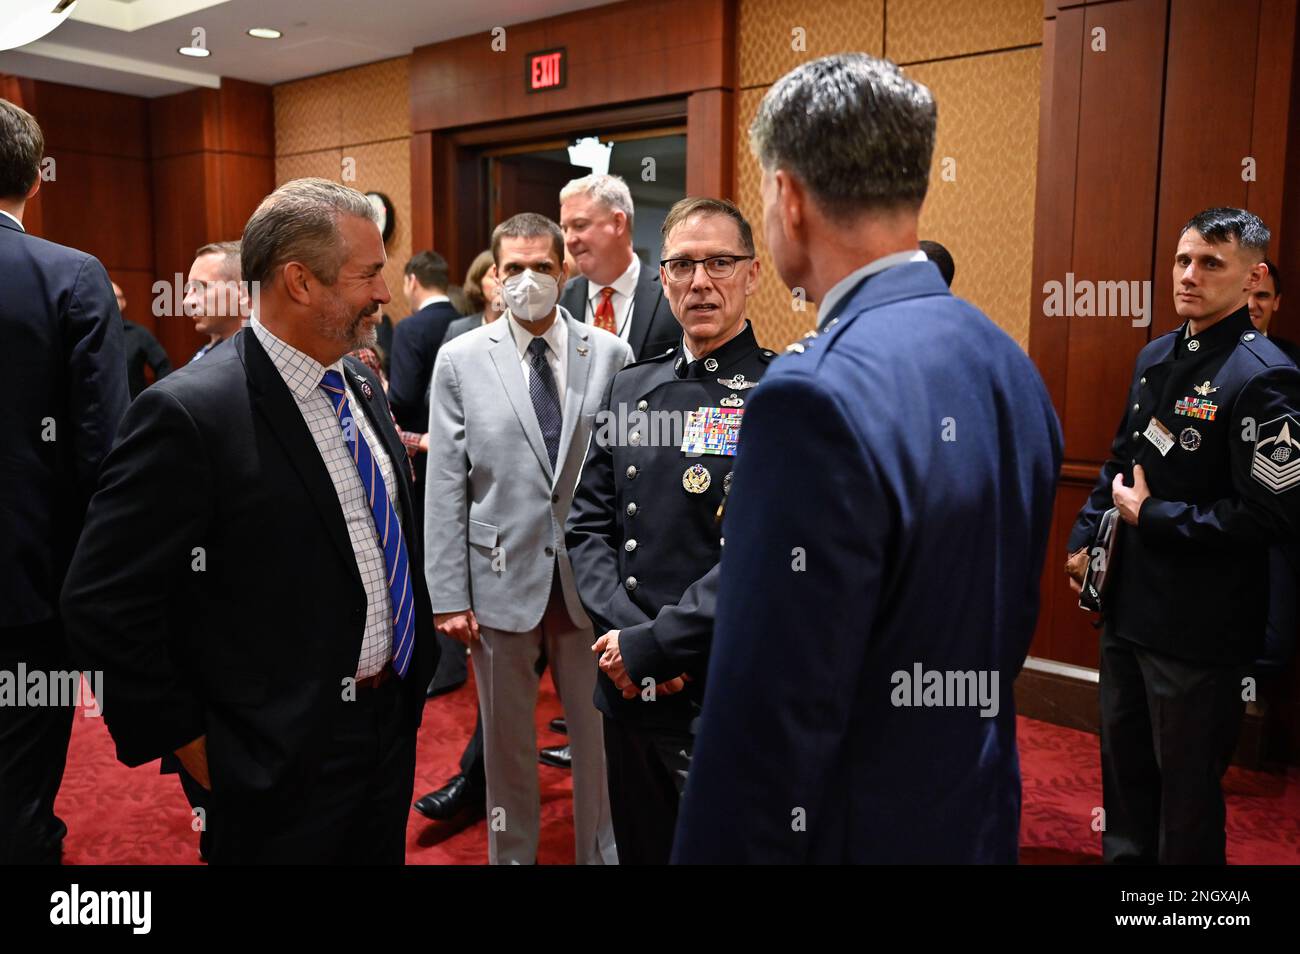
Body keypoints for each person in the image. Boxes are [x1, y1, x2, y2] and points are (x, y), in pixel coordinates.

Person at [672, 54, 1063, 864]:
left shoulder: (808, 397)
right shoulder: (1004, 359)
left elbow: (767, 718)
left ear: (787, 196)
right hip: (971, 806)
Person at [61, 178, 439, 864]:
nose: (385, 293)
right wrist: (196, 746)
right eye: (368, 274)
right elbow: (102, 603)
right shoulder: (189, 414)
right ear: (299, 281)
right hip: (275, 756)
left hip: (388, 729)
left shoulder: (358, 381)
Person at [1065, 207, 1300, 864]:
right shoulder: (1156, 354)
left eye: (1210, 263)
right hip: (1128, 612)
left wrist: (1155, 518)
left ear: (1252, 275)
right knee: (1126, 786)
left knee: (1187, 809)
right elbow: (1120, 461)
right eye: (1182, 260)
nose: (1189, 275)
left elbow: (1273, 516)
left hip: (1198, 633)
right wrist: (1084, 536)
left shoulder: (1265, 375)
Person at [566, 196, 774, 864]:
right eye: (682, 265)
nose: (700, 282)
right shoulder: (632, 388)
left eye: (720, 262)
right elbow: (587, 527)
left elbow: (764, 556)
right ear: (663, 280)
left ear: (753, 274)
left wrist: (658, 646)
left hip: (720, 683)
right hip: (628, 684)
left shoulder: (783, 392)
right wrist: (626, 643)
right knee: (642, 847)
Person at [424, 212, 628, 864]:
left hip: (587, 582)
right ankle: (512, 856)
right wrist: (448, 594)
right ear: (492, 280)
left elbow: (624, 479)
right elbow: (445, 483)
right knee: (506, 743)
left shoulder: (611, 355)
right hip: (496, 577)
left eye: (543, 266)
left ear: (565, 272)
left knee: (595, 737)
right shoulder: (458, 361)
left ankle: (603, 853)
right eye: (515, 268)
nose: (529, 279)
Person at [0, 97, 128, 864]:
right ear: (34, 180)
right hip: (29, 592)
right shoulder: (70, 276)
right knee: (17, 796)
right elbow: (103, 451)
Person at [559, 173, 681, 359]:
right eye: (565, 229)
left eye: (580, 225)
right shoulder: (559, 301)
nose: (569, 240)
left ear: (618, 223)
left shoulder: (672, 296)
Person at [387, 250, 458, 438]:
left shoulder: (408, 328)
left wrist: (385, 390)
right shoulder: (465, 322)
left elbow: (403, 398)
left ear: (412, 281)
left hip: (421, 441)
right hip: (460, 435)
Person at [184, 241, 246, 362]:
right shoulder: (206, 354)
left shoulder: (265, 359)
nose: (187, 301)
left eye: (201, 287)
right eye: (189, 289)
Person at [113, 281, 172, 399]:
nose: (112, 301)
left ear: (123, 302)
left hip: (132, 407)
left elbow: (163, 366)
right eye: (109, 296)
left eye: (116, 297)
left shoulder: (139, 334)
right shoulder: (89, 333)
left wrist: (157, 398)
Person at [1249, 257, 1299, 365]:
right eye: (1243, 294)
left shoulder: (1294, 359)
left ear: (1276, 301)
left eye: (1261, 296)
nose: (1251, 305)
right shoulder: (1207, 352)